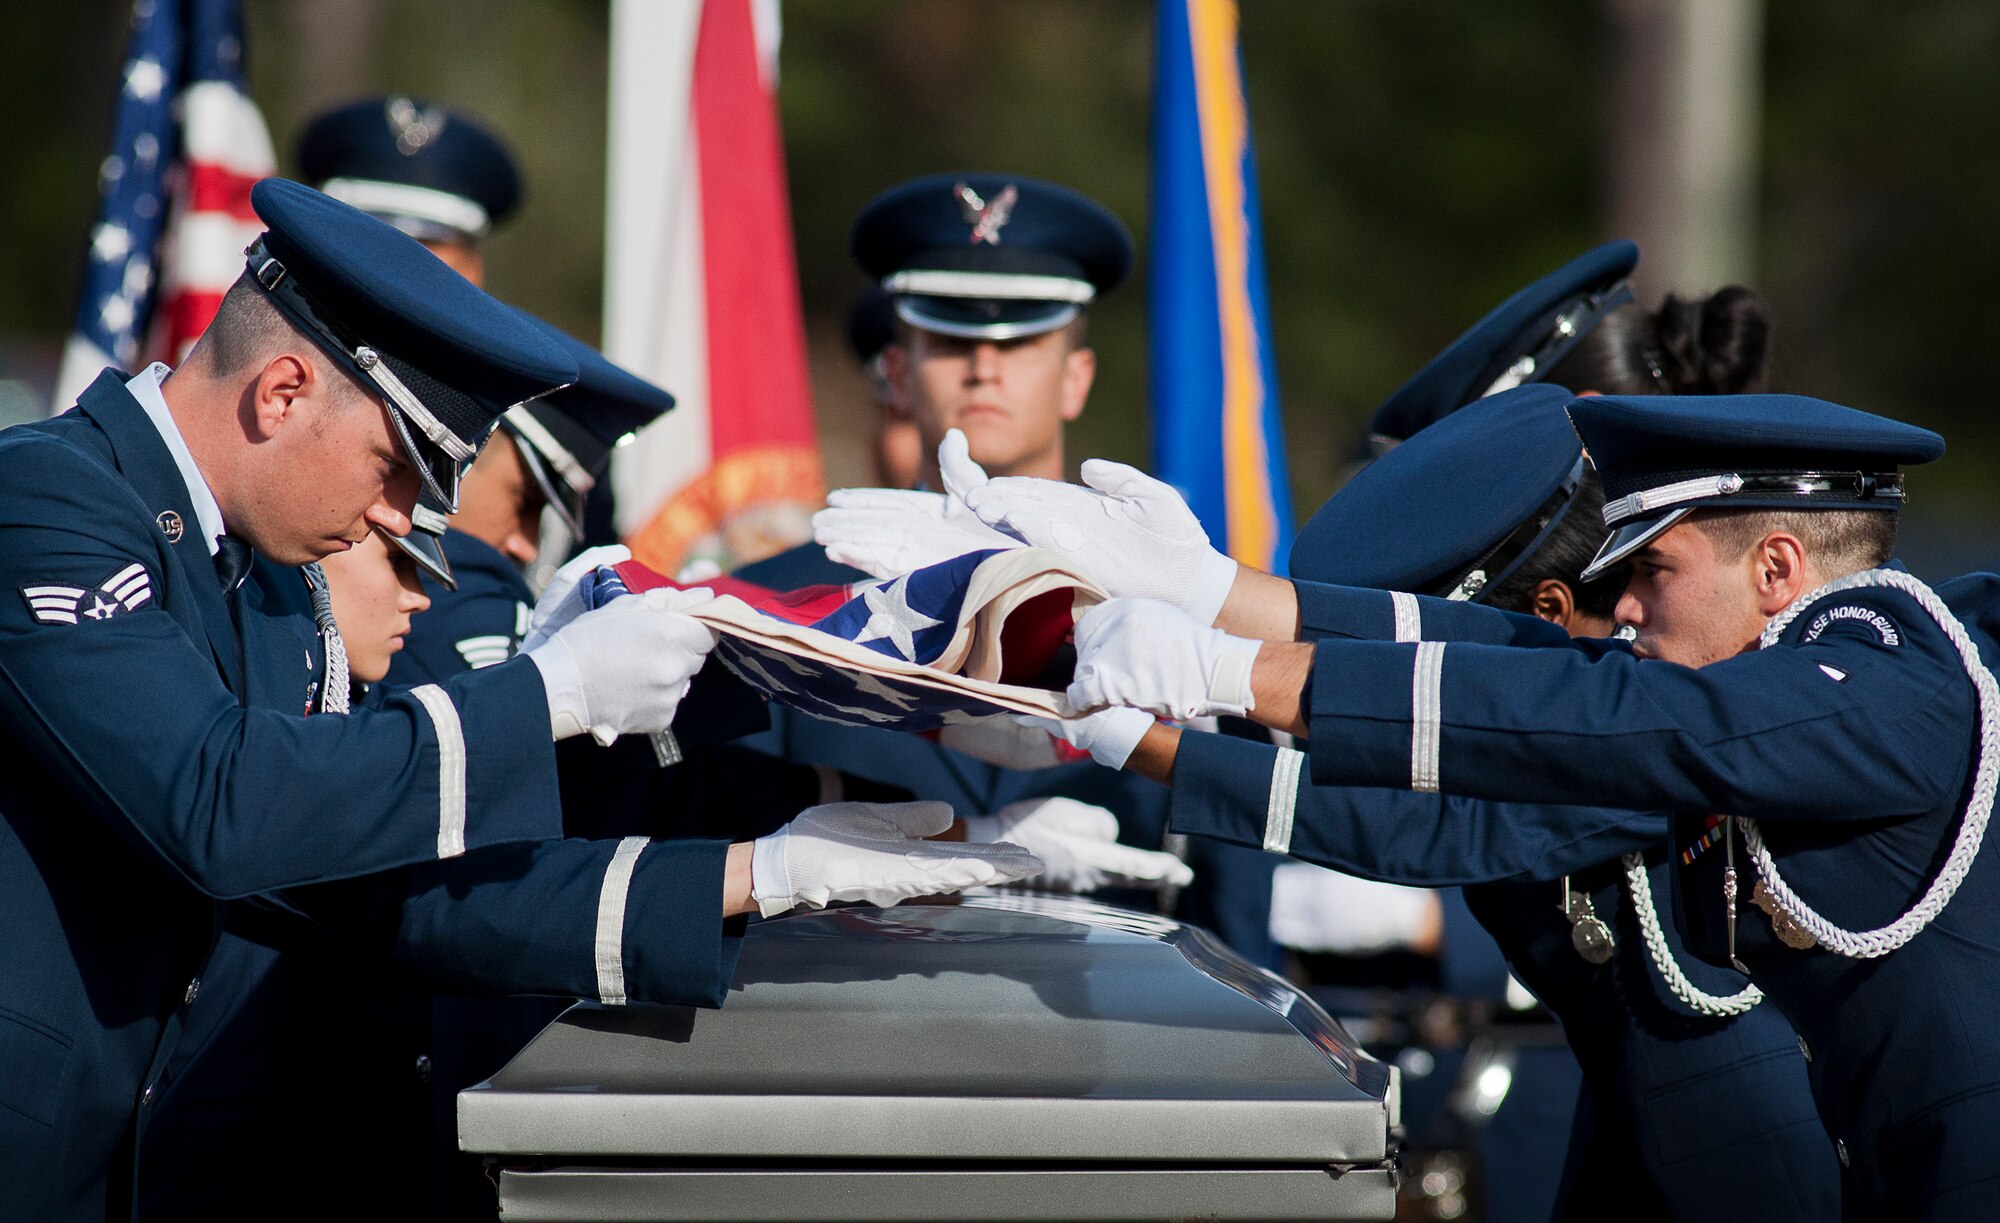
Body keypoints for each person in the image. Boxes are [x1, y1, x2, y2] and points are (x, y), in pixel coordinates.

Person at [0, 178, 1035, 1222]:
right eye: (395, 468)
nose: (394, 517)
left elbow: (374, 889)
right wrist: (547, 690)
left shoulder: (264, 577)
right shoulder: (47, 500)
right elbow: (216, 801)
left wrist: (759, 870)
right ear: (280, 392)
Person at [1055, 391, 1998, 1219]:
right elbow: (1540, 665)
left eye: (1653, 570)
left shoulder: (1892, 682)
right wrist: (1216, 593)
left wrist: (1230, 676)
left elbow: (1600, 719)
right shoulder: (1826, 687)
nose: (1623, 606)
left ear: (1778, 569)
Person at [740, 172, 1282, 963]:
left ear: (1076, 378)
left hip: (1127, 1040)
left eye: (1021, 341)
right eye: (951, 339)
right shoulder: (783, 598)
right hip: (844, 1031)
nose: (984, 367)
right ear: (895, 372)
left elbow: (1236, 916)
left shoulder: (1180, 597)